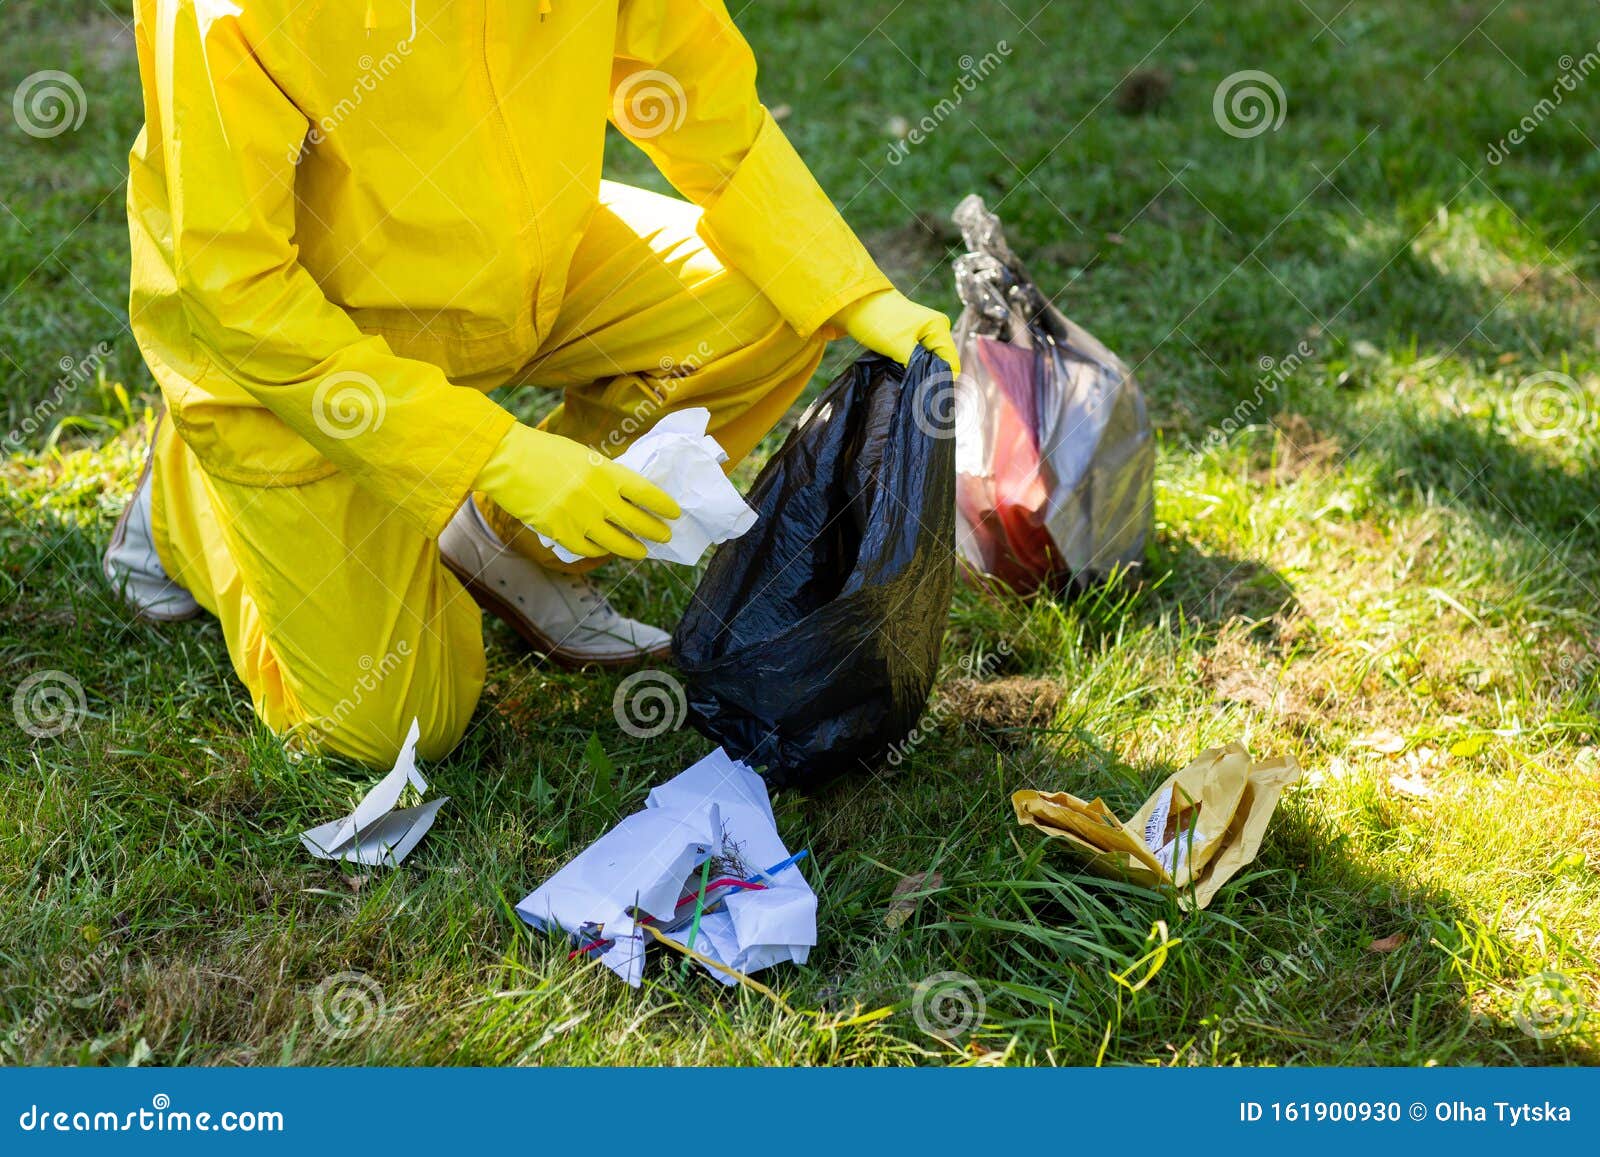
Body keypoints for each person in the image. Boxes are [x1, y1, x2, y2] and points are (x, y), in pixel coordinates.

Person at [105, 0, 958, 768]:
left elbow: (705, 103)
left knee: (769, 310)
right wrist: (490, 450)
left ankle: (511, 543)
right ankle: (185, 501)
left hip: (527, 278)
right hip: (300, 358)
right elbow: (237, 291)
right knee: (395, 724)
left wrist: (856, 291)